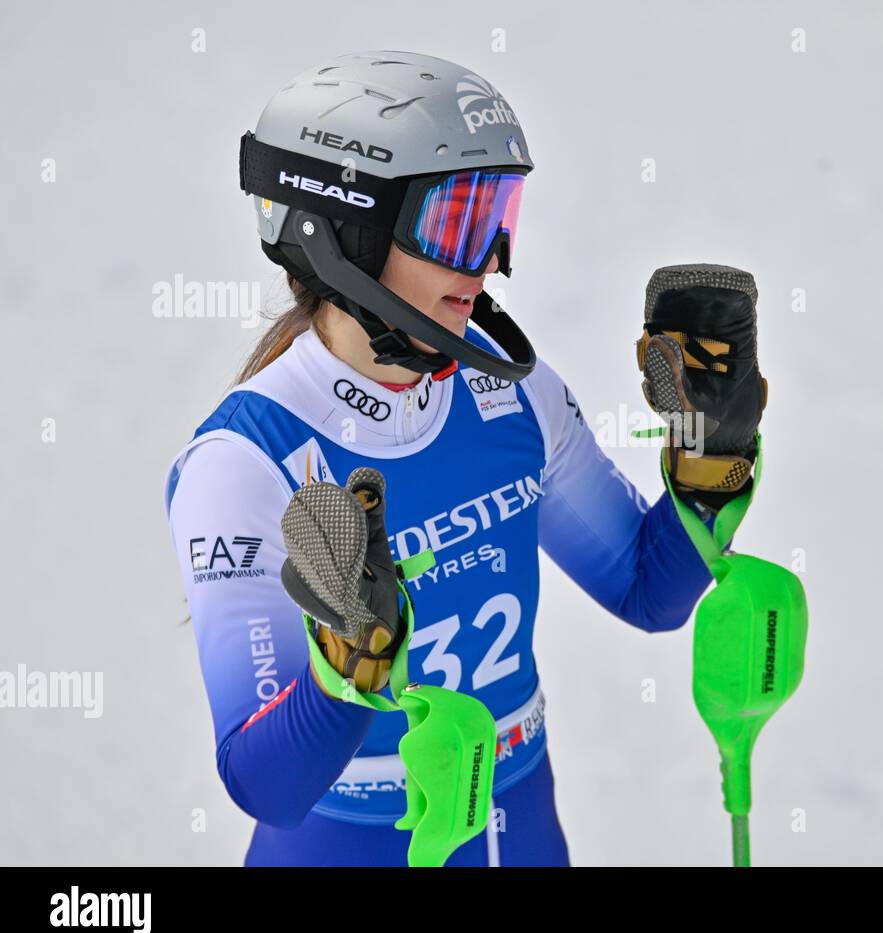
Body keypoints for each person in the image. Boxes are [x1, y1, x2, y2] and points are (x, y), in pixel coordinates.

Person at [163, 51, 765, 866]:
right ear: (345, 233)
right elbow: (266, 784)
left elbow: (645, 590)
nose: (488, 259)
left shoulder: (507, 393)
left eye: (500, 215)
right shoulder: (243, 462)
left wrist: (709, 455)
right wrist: (350, 667)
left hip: (519, 821)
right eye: (455, 222)